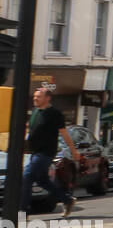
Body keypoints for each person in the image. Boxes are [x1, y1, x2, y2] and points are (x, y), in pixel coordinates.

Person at [20, 85, 81, 217]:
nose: (35, 99)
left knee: (27, 176)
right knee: (42, 180)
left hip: (46, 153)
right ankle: (67, 200)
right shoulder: (35, 111)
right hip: (34, 153)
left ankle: (23, 212)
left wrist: (73, 151)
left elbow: (64, 134)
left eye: (38, 97)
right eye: (35, 96)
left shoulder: (55, 114)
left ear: (47, 98)